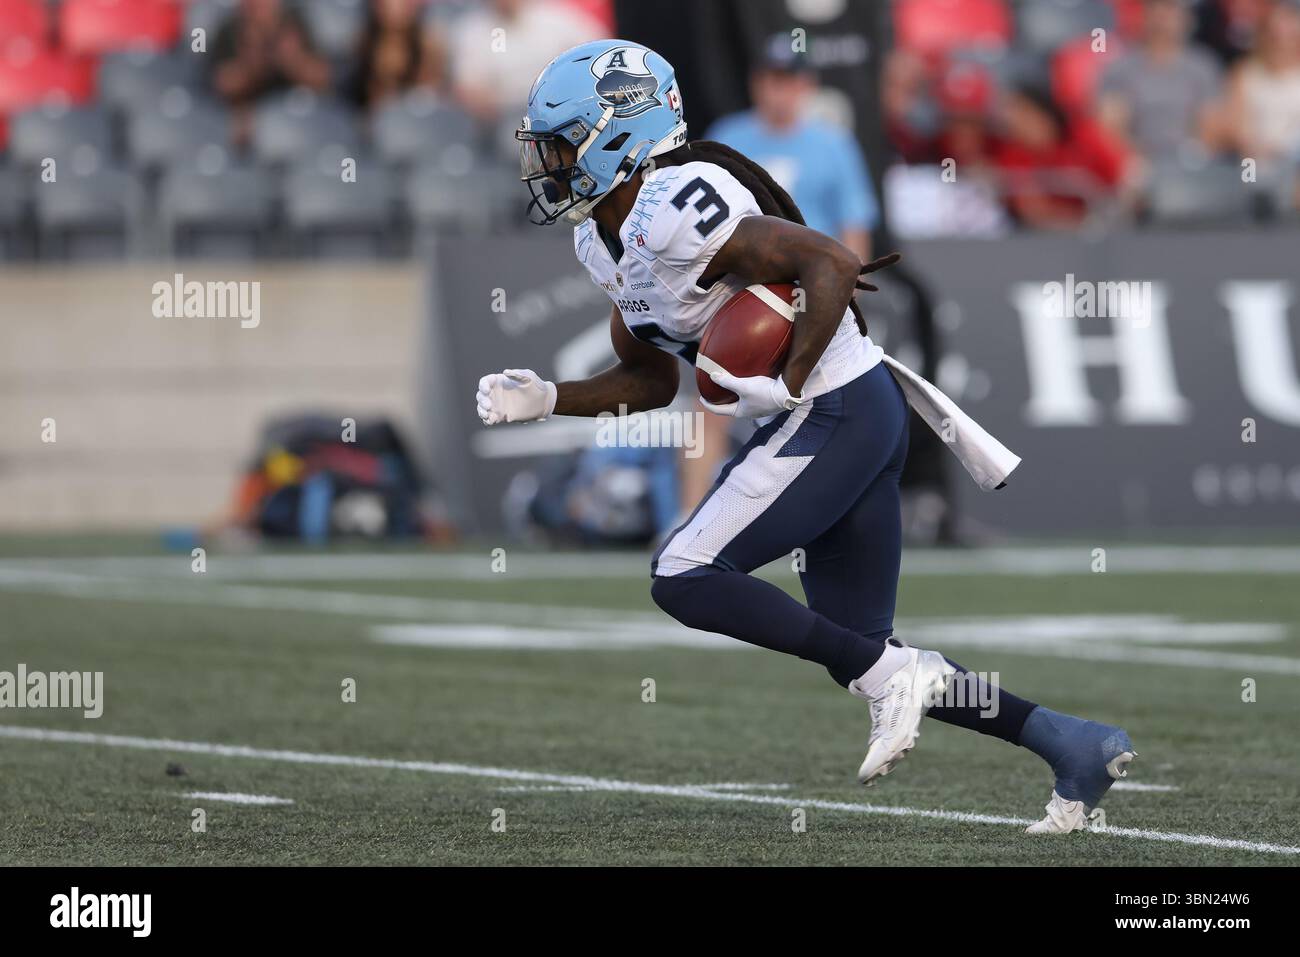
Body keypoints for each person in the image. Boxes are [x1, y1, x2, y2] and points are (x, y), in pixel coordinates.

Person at [475, 40, 1135, 834]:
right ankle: (1069, 742)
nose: (546, 163)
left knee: (682, 574)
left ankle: (904, 676)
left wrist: (786, 380)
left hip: (835, 407)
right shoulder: (602, 235)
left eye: (559, 143)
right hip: (849, 412)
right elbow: (651, 377)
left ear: (615, 134)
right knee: (858, 646)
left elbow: (831, 260)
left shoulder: (672, 203)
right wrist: (549, 397)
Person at [707, 34, 878, 263]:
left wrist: (849, 286)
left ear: (807, 85)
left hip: (815, 270)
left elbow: (854, 222)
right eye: (773, 81)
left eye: (789, 82)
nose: (780, 92)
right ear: (756, 83)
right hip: (742, 272)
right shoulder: (725, 138)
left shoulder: (834, 143)